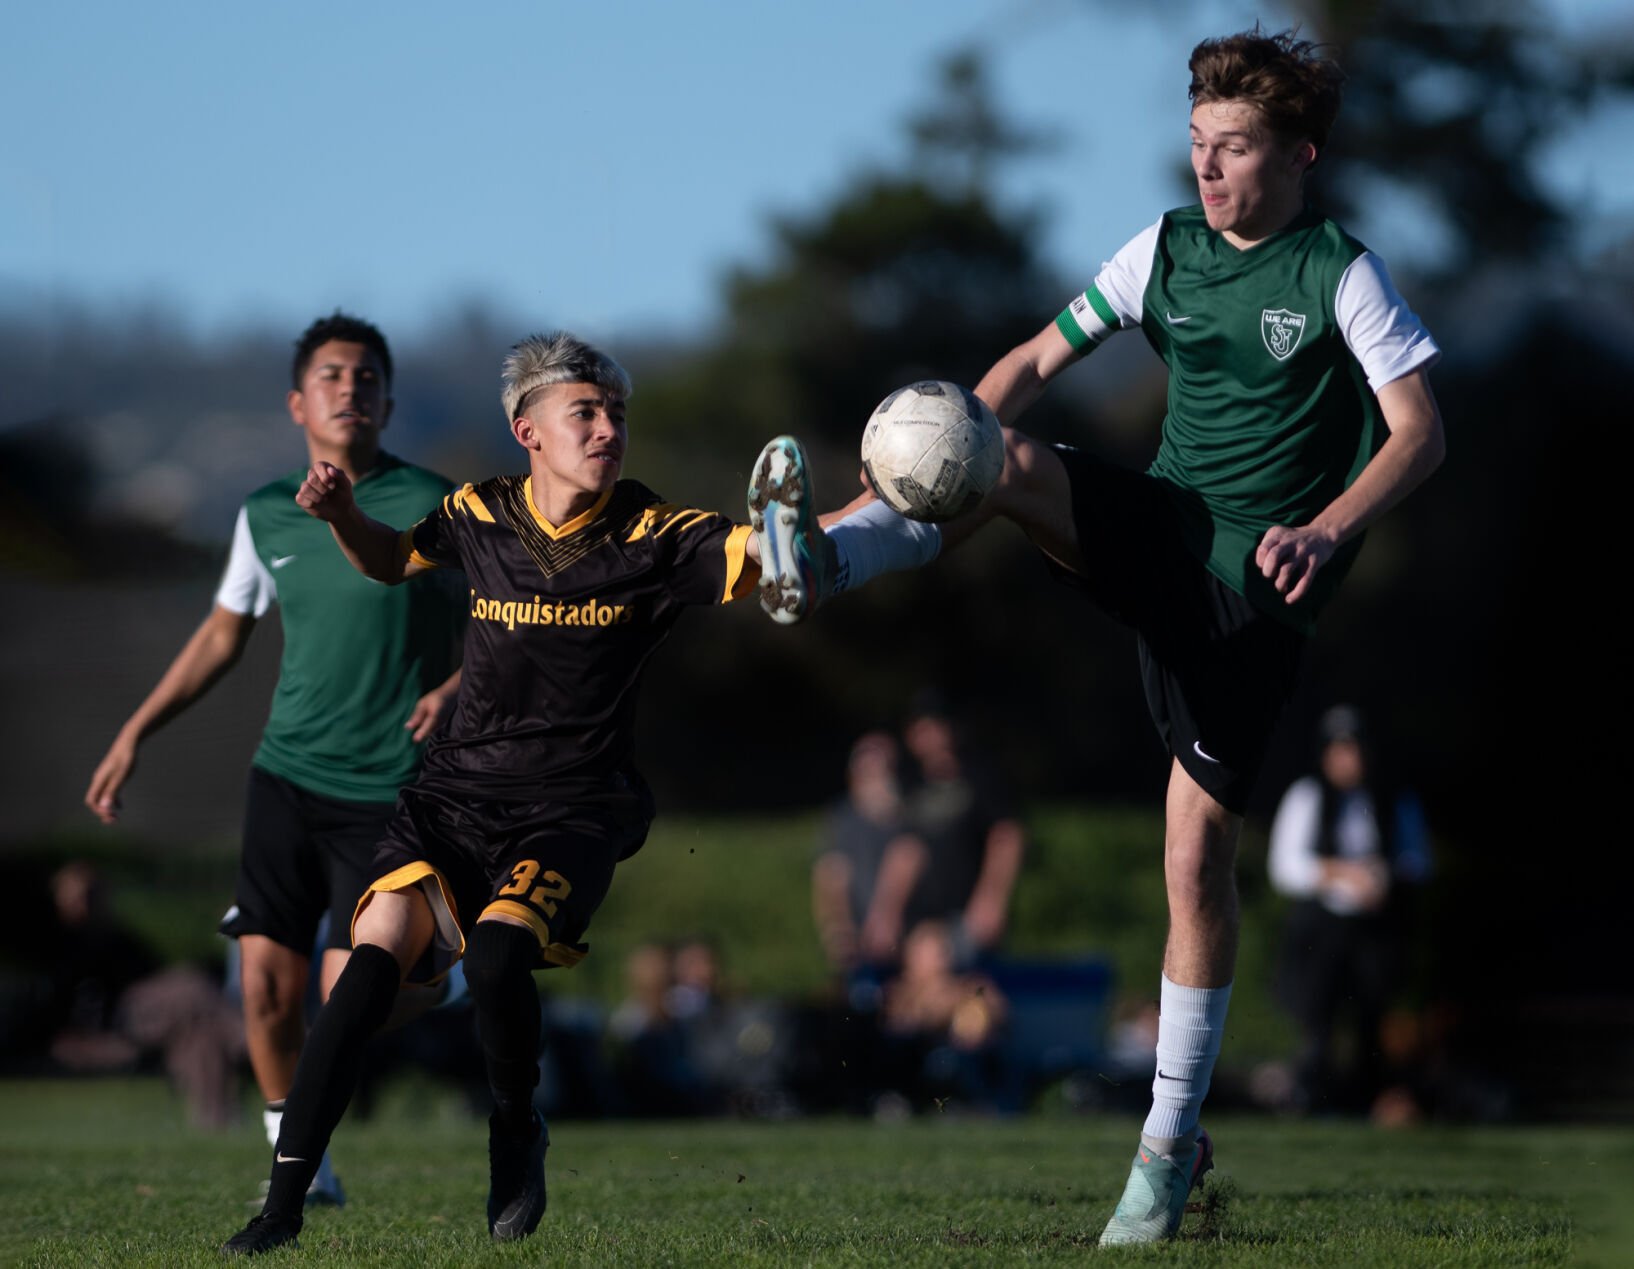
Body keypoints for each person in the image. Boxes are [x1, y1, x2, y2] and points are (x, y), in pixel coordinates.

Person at [756, 28, 1445, 1244]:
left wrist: (1329, 531)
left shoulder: (1340, 272)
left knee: (1193, 863)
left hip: (1254, 593)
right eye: (1196, 145)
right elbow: (1030, 358)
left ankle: (1168, 1142)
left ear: (1299, 154)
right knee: (1001, 458)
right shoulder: (1164, 250)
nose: (1208, 170)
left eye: (1234, 149)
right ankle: (827, 556)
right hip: (1159, 528)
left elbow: (1415, 434)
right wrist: (944, 431)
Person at [222, 330, 939, 1253]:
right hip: (448, 801)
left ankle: (516, 1127)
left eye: (617, 415)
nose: (609, 431)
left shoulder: (655, 534)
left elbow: (772, 553)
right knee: (364, 973)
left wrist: (862, 512)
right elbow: (389, 560)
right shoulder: (477, 511)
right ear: (528, 430)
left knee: (492, 960)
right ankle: (281, 1209)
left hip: (572, 810)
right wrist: (337, 516)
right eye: (586, 414)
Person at [84, 312, 464, 1208]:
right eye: (331, 375)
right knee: (262, 988)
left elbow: (506, 623)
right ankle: (299, 1158)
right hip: (288, 775)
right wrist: (136, 730)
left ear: (388, 401)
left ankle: (433, 982)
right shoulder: (265, 511)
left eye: (366, 377)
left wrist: (454, 688)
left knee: (348, 993)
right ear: (299, 402)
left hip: (393, 788)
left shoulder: (441, 505)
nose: (349, 388)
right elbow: (223, 634)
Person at [1267, 703, 1431, 1116]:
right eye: (1341, 749)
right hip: (1322, 927)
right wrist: (1342, 874)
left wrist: (1382, 877)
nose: (1349, 759)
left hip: (1375, 927)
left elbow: (1418, 860)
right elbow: (1286, 866)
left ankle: (1364, 1099)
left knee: (1371, 1020)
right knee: (1318, 1019)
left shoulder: (1393, 798)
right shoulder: (1307, 796)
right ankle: (1311, 1099)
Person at [891, 693, 1026, 970]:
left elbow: (1007, 838)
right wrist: (888, 911)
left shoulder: (980, 776)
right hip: (921, 918)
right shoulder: (912, 786)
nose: (926, 736)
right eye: (919, 729)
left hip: (966, 913)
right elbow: (906, 852)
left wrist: (991, 899)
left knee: (971, 994)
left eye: (933, 727)